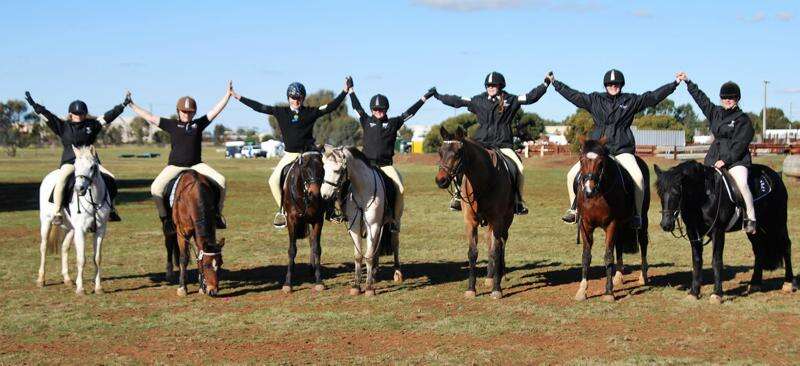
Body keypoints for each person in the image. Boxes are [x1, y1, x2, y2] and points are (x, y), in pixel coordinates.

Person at [553, 69, 680, 227]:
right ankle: (575, 210)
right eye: (610, 84)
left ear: (621, 85)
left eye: (617, 84)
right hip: (599, 151)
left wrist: (673, 84)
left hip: (622, 150)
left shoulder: (630, 100)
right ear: (606, 85)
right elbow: (575, 96)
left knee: (639, 178)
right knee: (571, 175)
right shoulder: (595, 99)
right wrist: (556, 84)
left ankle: (637, 215)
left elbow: (652, 97)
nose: (614, 86)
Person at [233, 78, 350, 228]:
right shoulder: (280, 112)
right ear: (288, 98)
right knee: (273, 181)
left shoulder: (311, 112)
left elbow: (330, 107)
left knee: (330, 175)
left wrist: (344, 91)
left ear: (303, 98)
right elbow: (259, 107)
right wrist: (238, 97)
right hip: (290, 154)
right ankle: (283, 211)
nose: (296, 100)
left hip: (310, 153)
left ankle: (330, 210)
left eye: (299, 97)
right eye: (293, 98)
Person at [430, 71, 550, 215]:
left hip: (503, 145)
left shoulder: (511, 100)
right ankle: (457, 195)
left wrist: (545, 84)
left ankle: (518, 200)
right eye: (488, 85)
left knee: (519, 168)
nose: (491, 87)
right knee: (461, 162)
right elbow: (457, 101)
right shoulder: (478, 100)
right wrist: (438, 96)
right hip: (481, 144)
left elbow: (531, 97)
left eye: (494, 85)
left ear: (500, 86)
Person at [127, 82, 233, 233]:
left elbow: (215, 111)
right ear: (178, 111)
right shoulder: (171, 125)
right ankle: (165, 219)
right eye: (184, 112)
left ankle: (217, 215)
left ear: (194, 113)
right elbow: (149, 117)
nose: (187, 114)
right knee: (155, 188)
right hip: (175, 166)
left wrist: (227, 95)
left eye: (190, 112)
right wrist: (132, 105)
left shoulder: (199, 124)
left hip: (196, 164)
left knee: (222, 180)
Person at [342, 77, 434, 227]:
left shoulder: (393, 123)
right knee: (345, 181)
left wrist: (424, 98)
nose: (378, 112)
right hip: (367, 166)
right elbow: (356, 107)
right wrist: (351, 90)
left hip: (385, 166)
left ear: (386, 110)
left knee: (400, 188)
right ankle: (344, 212)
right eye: (375, 109)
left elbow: (410, 113)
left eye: (381, 109)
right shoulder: (365, 120)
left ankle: (394, 221)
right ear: (372, 110)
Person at [24, 91, 126, 225]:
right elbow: (47, 115)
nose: (79, 116)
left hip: (90, 162)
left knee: (110, 177)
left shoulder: (92, 125)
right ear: (71, 114)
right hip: (70, 161)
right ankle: (57, 212)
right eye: (76, 114)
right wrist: (33, 104)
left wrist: (122, 105)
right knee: (61, 181)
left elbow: (108, 117)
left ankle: (111, 209)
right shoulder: (62, 126)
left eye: (82, 113)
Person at [681, 72, 756, 234]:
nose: (727, 100)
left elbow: (740, 144)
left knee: (742, 184)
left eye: (731, 98)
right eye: (725, 97)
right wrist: (688, 83)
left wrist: (726, 160)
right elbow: (702, 100)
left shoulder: (743, 120)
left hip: (736, 161)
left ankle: (750, 217)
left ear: (737, 99)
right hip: (713, 159)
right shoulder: (716, 113)